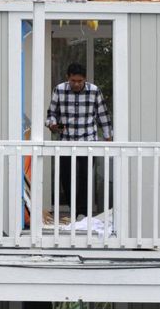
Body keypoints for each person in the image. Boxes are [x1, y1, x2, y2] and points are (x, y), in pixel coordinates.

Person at [46, 62, 113, 218]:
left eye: (80, 81)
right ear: (67, 78)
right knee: (66, 177)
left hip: (88, 140)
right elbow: (51, 114)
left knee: (85, 177)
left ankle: (82, 212)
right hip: (66, 140)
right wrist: (53, 124)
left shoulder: (95, 91)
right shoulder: (59, 90)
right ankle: (73, 209)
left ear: (85, 79)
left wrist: (108, 138)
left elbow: (103, 115)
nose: (76, 84)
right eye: (73, 81)